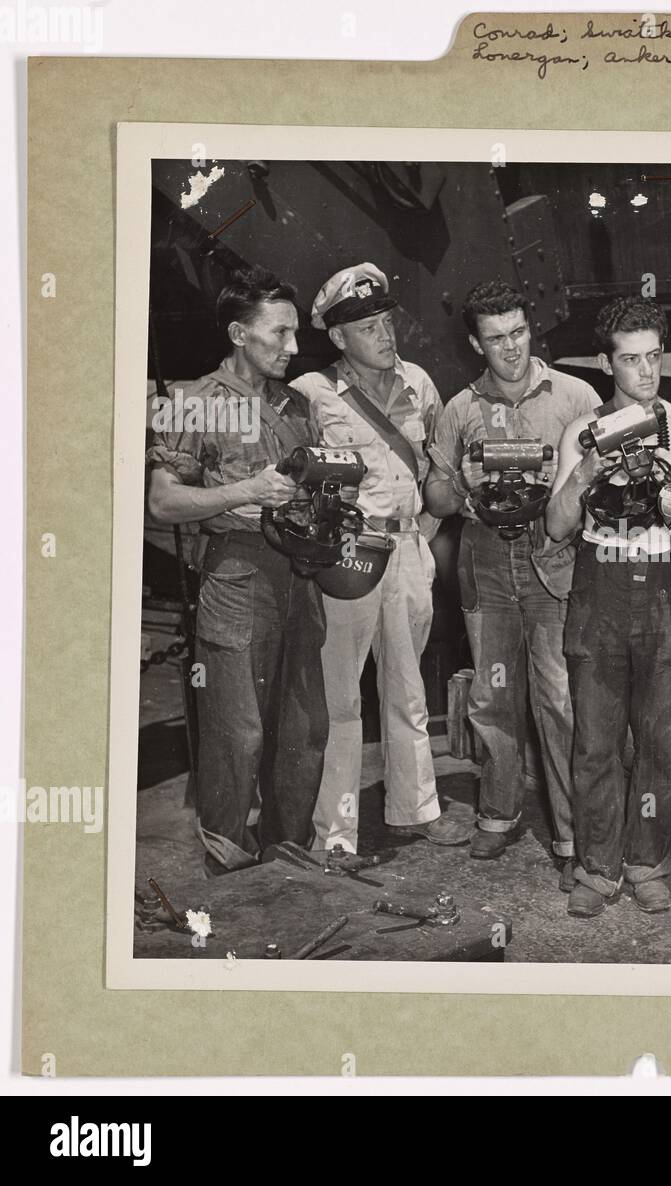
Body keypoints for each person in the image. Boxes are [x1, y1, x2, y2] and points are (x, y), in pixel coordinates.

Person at [146, 265, 329, 873]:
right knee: (235, 729)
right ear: (237, 333)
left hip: (301, 577)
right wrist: (243, 491)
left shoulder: (297, 403)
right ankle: (227, 855)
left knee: (302, 726)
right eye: (278, 334)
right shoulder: (193, 404)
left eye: (295, 333)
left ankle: (288, 846)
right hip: (237, 575)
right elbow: (163, 500)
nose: (293, 347)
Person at [291, 262, 471, 854]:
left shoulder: (419, 383)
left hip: (407, 550)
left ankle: (413, 809)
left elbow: (438, 472)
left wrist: (418, 538)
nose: (384, 334)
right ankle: (336, 835)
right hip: (347, 556)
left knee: (409, 687)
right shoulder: (313, 395)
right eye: (367, 327)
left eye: (386, 321)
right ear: (338, 337)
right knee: (340, 700)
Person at [425, 280, 600, 884]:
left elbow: (598, 481)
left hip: (553, 555)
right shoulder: (460, 408)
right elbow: (436, 492)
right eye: (496, 338)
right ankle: (498, 813)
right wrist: (466, 485)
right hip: (485, 560)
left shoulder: (576, 397)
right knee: (492, 696)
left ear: (532, 330)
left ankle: (574, 829)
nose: (511, 348)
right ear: (477, 343)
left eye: (519, 333)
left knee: (558, 697)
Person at [549, 296, 671, 918]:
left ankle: (647, 861)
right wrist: (585, 472)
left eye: (653, 358)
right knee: (594, 740)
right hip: (600, 585)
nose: (645, 372)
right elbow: (558, 527)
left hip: (665, 587)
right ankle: (596, 869)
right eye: (629, 360)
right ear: (605, 363)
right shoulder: (580, 432)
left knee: (660, 737)